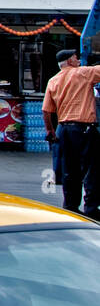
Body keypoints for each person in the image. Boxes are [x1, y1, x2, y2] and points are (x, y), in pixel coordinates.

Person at [42, 48, 100, 218]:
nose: (79, 60)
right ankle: (90, 207)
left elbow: (46, 111)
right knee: (93, 168)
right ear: (69, 61)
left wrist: (50, 131)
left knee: (70, 169)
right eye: (76, 57)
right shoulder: (82, 73)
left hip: (64, 129)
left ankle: (70, 206)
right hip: (84, 128)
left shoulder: (53, 80)